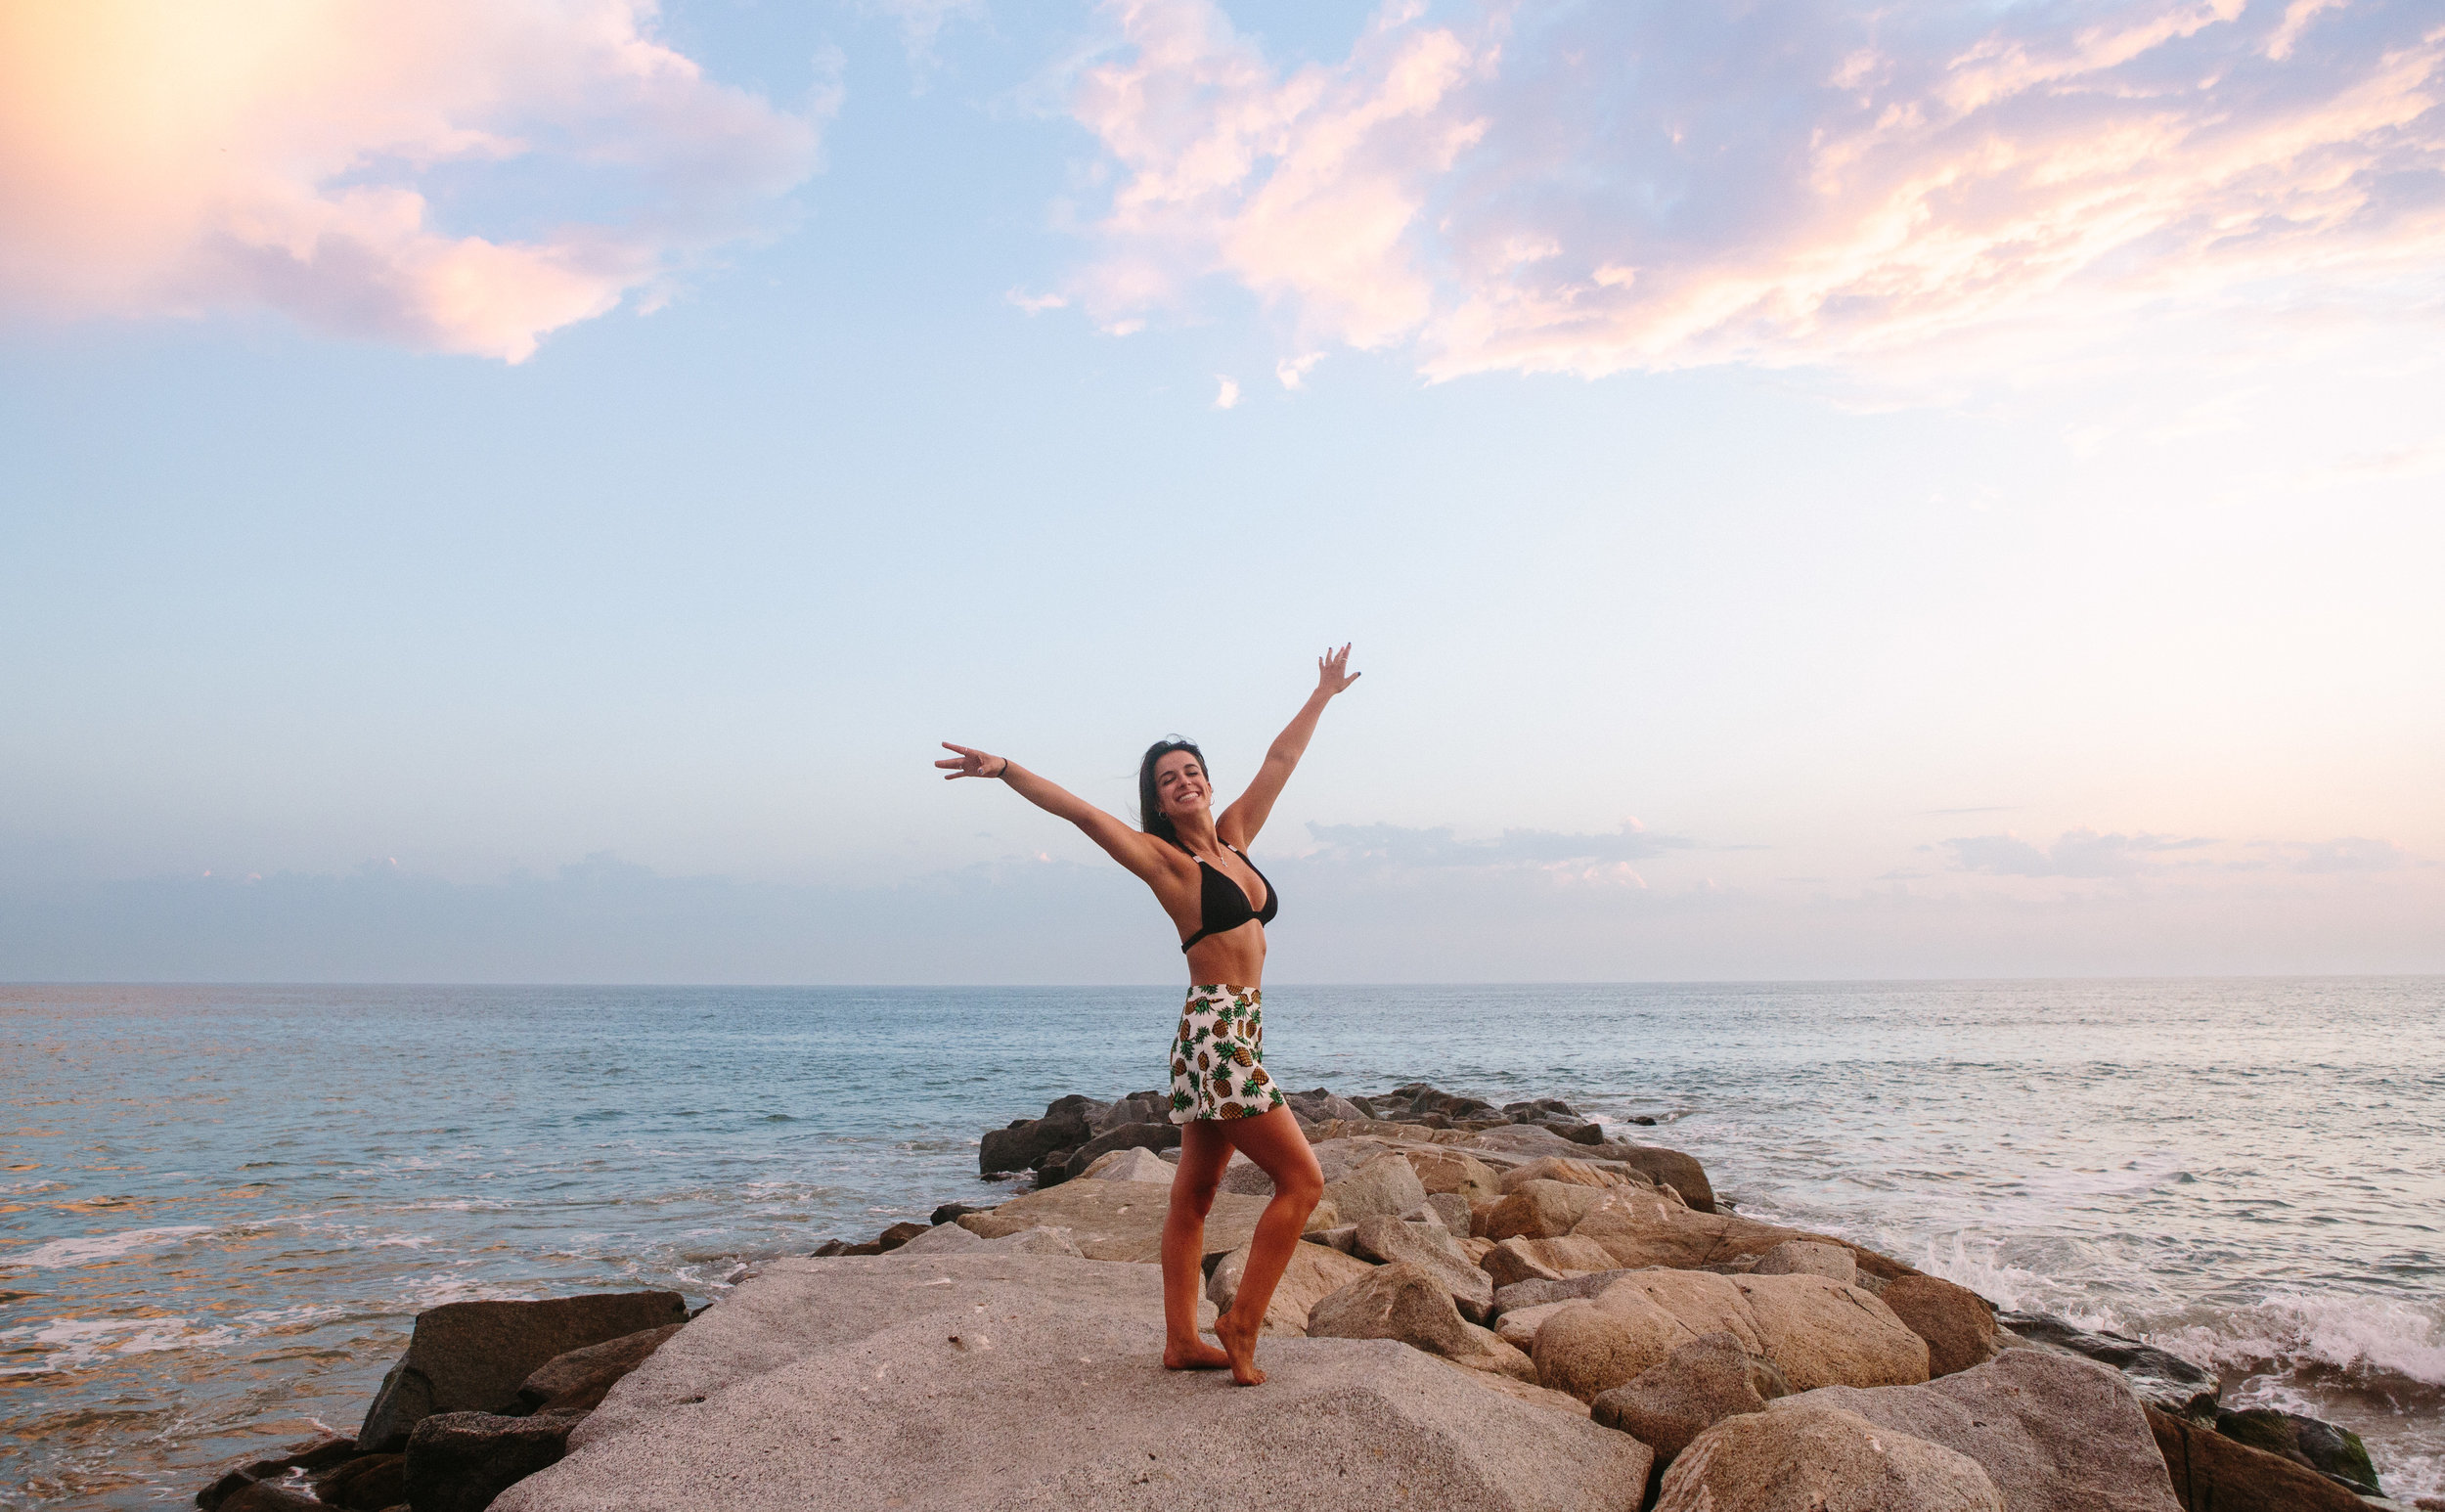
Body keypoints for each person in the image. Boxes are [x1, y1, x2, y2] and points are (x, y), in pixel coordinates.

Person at [936, 645, 1362, 1385]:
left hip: (1225, 1033)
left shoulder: (1234, 838)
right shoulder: (1167, 863)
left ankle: (1178, 1341)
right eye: (1170, 780)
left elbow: (1281, 761)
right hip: (1218, 1039)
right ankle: (1240, 1323)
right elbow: (1081, 813)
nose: (1185, 782)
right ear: (1159, 803)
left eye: (1192, 771)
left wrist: (1322, 694)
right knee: (1303, 1183)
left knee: (1194, 1196)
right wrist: (1004, 770)